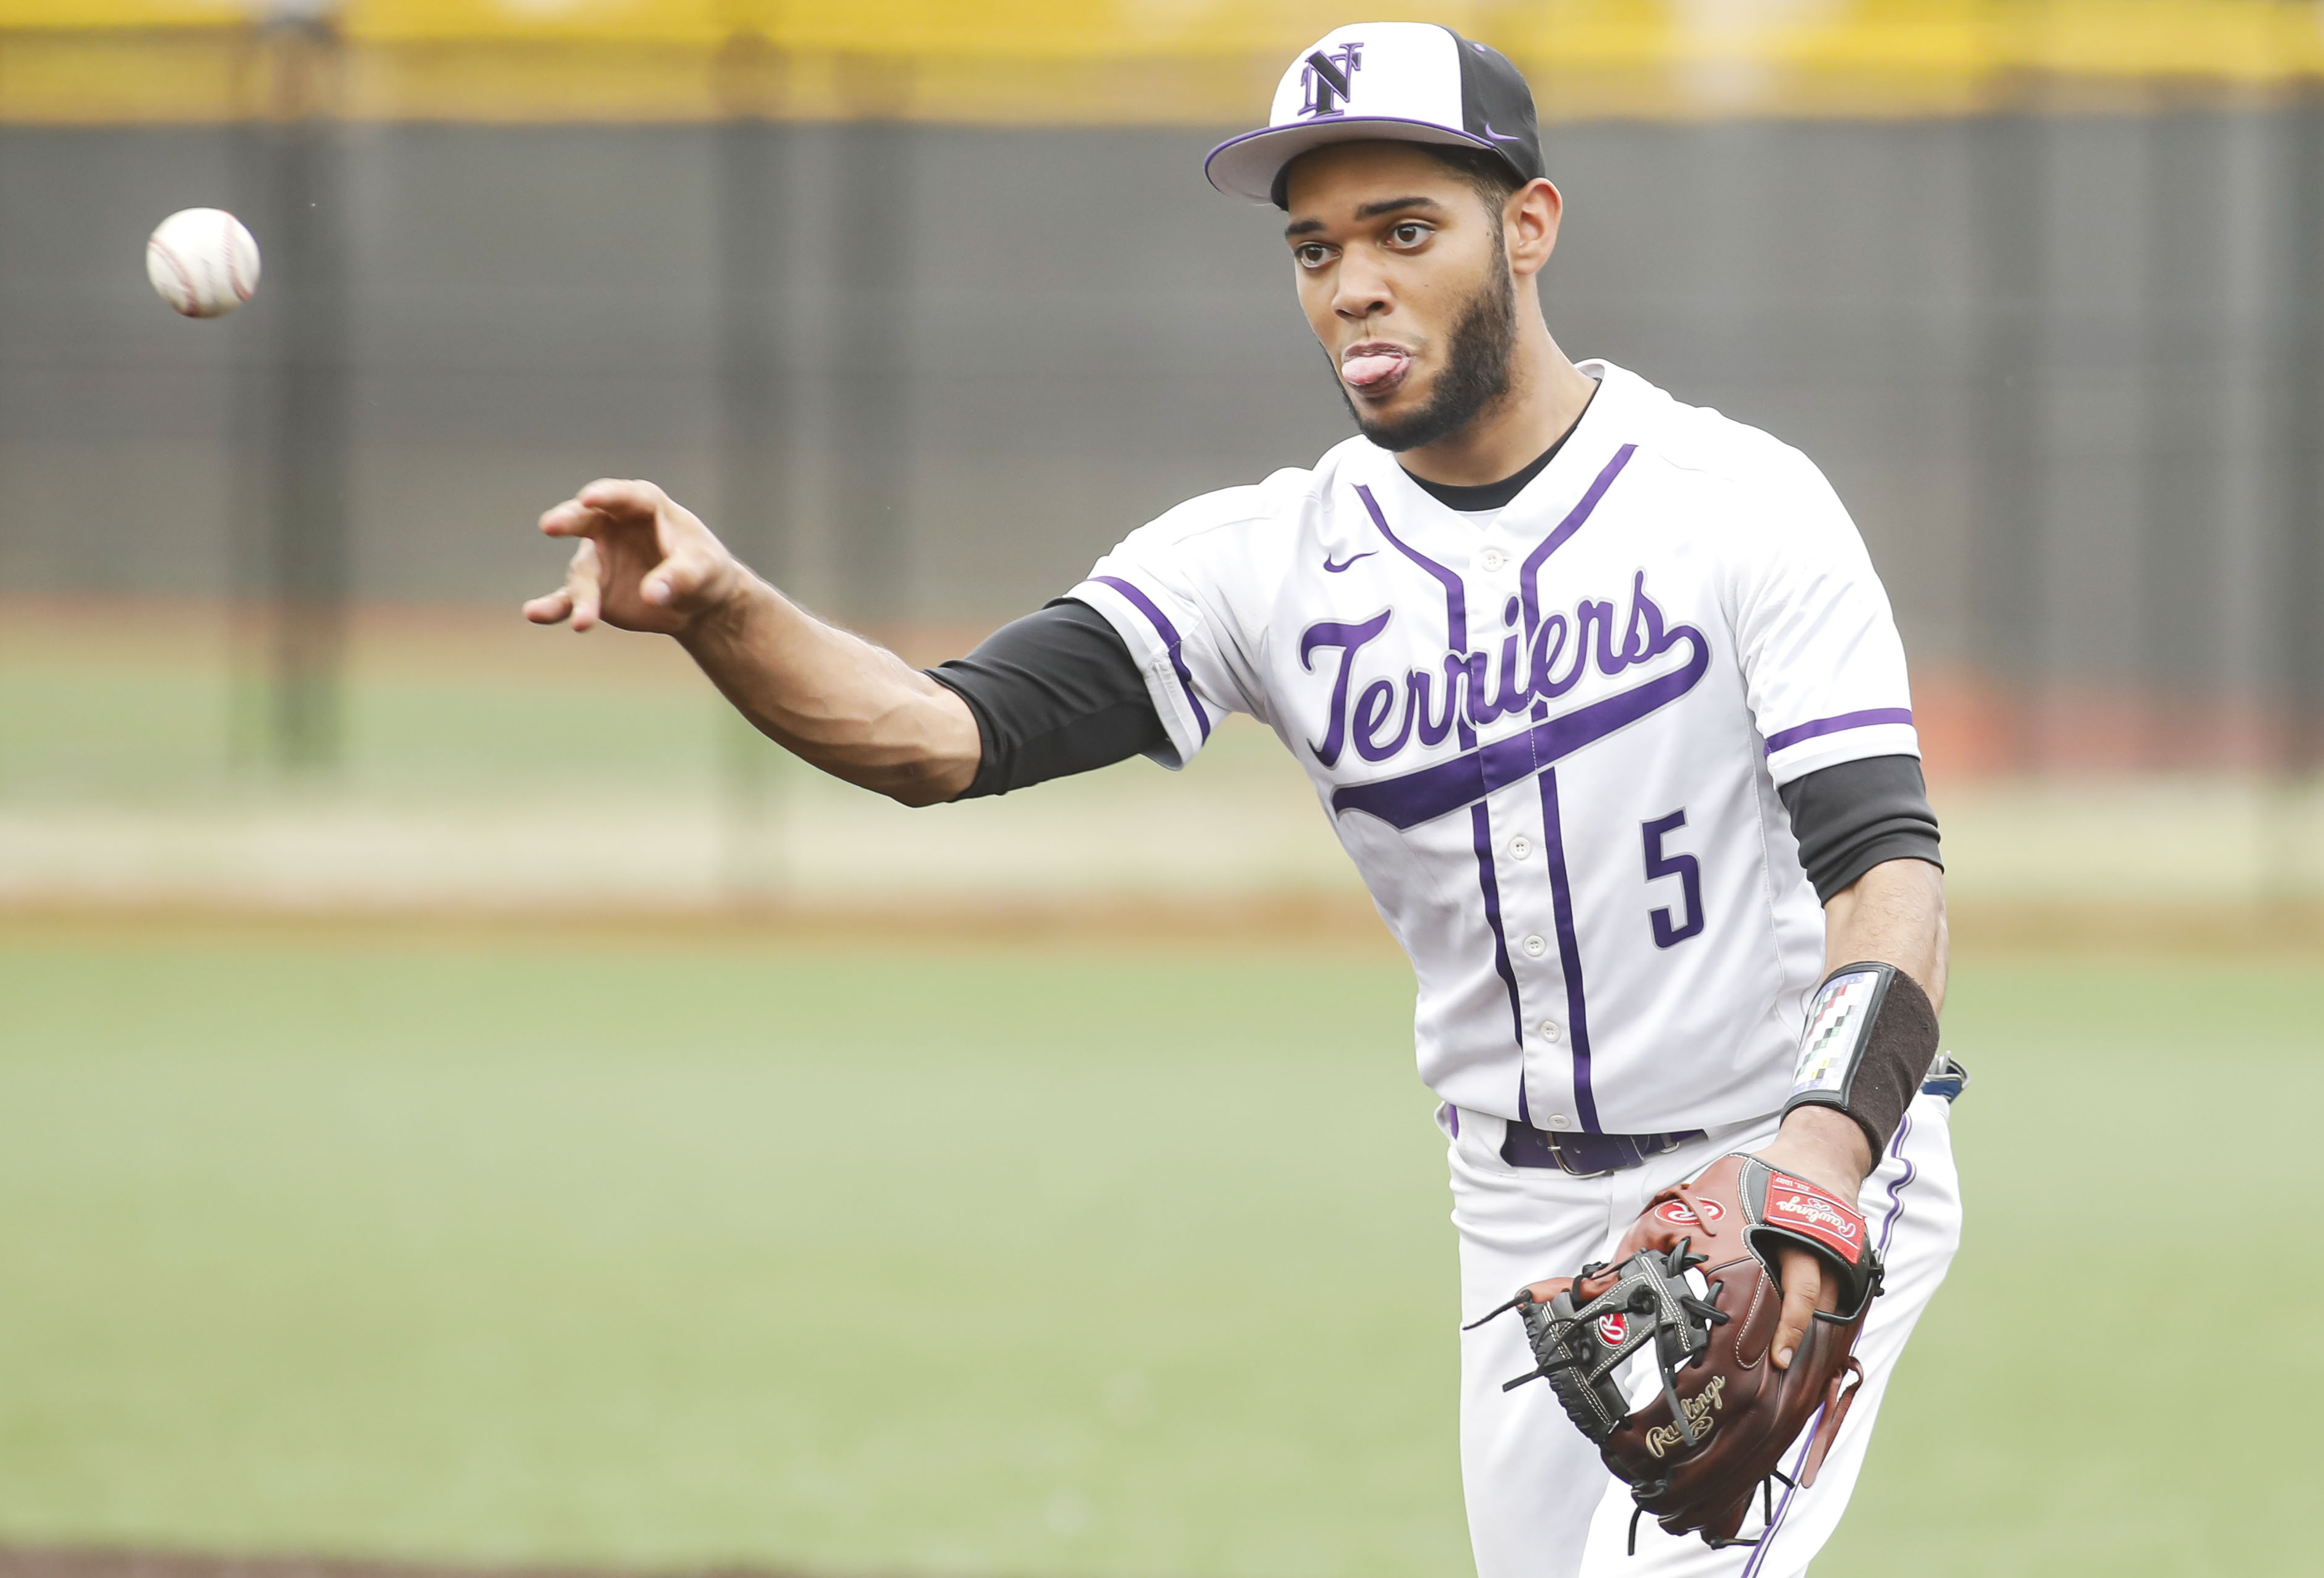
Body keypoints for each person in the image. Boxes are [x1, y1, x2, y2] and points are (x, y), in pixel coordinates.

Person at [522, 21, 1961, 1577]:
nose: (1354, 286)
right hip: (1520, 1219)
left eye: (1407, 232)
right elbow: (934, 736)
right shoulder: (1264, 566)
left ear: (1528, 228)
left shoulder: (1737, 503)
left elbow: (1886, 867)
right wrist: (729, 609)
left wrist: (1816, 1167)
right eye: (1315, 247)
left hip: (1774, 1172)